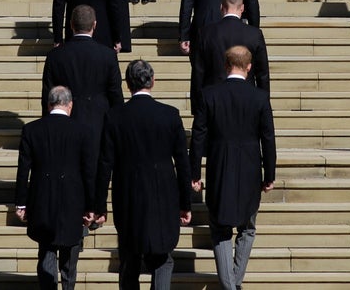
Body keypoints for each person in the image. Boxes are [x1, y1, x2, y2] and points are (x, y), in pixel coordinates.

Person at [94, 60, 192, 289]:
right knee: (162, 259)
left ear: (127, 84)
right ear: (153, 80)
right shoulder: (169, 115)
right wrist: (185, 203)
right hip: (163, 198)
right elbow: (183, 164)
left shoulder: (115, 116)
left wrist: (99, 206)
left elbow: (105, 164)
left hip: (128, 198)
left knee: (129, 260)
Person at [189, 46, 276, 290]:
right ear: (249, 68)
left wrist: (194, 173)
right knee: (247, 227)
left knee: (220, 229)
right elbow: (268, 138)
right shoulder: (260, 97)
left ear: (226, 65)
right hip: (250, 168)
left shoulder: (209, 95)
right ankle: (233, 282)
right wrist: (269, 174)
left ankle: (230, 284)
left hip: (220, 167)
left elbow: (198, 137)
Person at [15, 86, 96, 290]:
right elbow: (89, 173)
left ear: (49, 104)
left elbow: (23, 170)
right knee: (70, 257)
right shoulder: (83, 131)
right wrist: (91, 206)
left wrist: (21, 203)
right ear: (70, 105)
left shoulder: (32, 129)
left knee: (46, 252)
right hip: (73, 202)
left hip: (43, 200)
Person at [195, 0, 269, 111]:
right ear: (242, 8)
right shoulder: (254, 34)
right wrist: (264, 105)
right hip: (248, 98)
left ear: (221, 7)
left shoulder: (205, 33)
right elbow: (262, 74)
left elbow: (198, 72)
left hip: (213, 99)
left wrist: (198, 106)